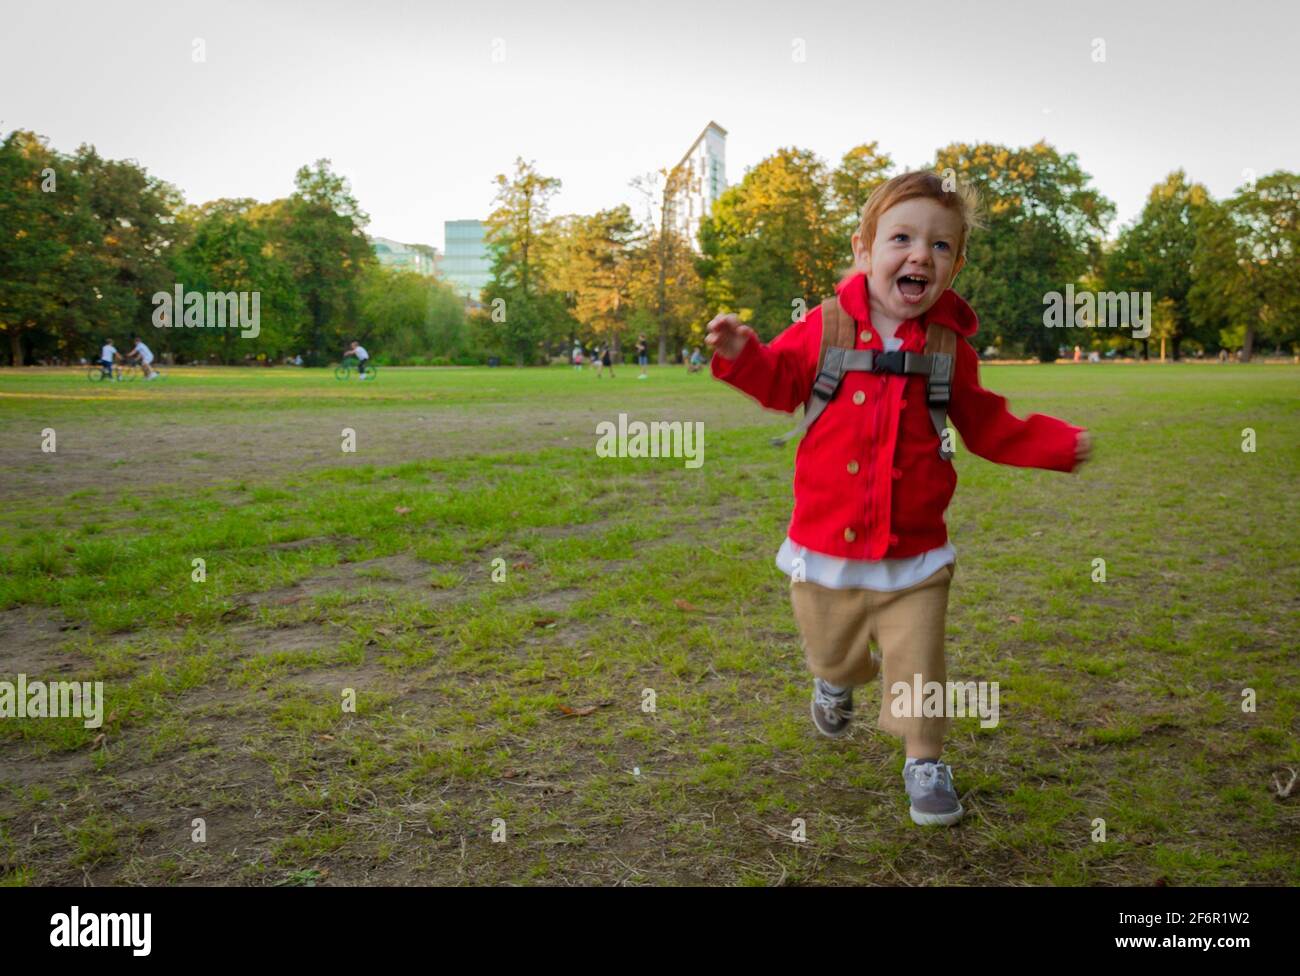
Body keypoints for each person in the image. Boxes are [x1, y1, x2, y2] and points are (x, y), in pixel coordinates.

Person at [707, 171, 1091, 828]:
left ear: (955, 266)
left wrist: (1054, 445)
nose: (920, 255)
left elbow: (987, 423)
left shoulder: (946, 347)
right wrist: (744, 355)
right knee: (832, 650)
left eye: (940, 247)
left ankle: (925, 759)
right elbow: (777, 382)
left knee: (919, 663)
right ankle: (835, 679)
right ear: (863, 249)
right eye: (903, 238)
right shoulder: (824, 327)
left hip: (915, 552)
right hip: (824, 548)